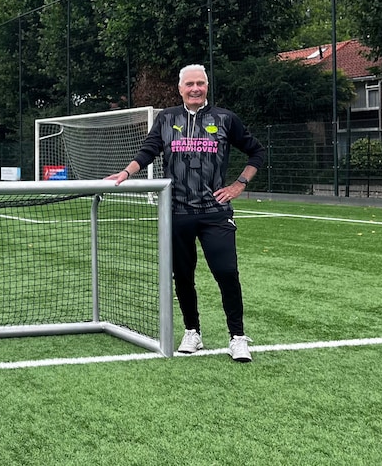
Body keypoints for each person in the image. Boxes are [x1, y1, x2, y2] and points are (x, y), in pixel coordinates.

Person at [105, 64, 265, 362]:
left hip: (215, 211)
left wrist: (238, 185)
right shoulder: (167, 119)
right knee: (183, 276)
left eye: (200, 83)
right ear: (180, 89)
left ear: (207, 87)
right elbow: (149, 150)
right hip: (176, 211)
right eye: (189, 84)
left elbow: (256, 151)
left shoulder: (225, 119)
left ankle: (238, 337)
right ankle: (193, 332)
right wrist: (126, 173)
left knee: (227, 272)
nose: (195, 88)